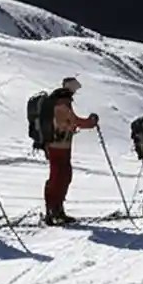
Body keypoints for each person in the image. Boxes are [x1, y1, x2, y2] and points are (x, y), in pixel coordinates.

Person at [44, 77, 98, 225]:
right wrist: (91, 122)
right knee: (60, 177)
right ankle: (54, 210)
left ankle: (55, 209)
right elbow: (74, 121)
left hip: (59, 145)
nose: (75, 92)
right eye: (75, 88)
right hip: (59, 146)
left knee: (61, 176)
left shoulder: (60, 101)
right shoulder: (62, 103)